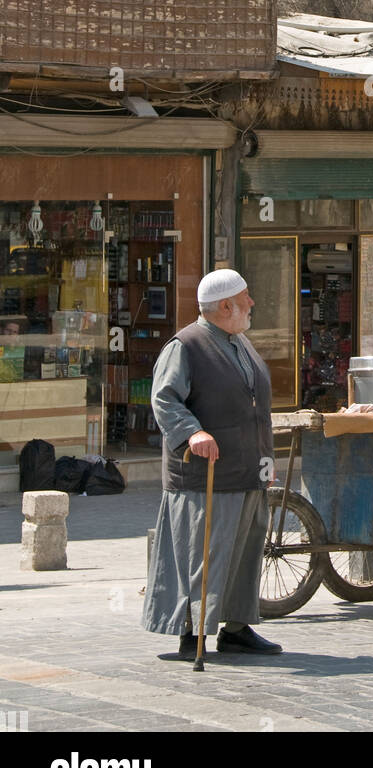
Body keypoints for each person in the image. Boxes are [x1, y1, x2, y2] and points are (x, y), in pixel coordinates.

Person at [142, 269, 282, 659]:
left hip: (246, 468)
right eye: (246, 297)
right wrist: (192, 433)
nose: (252, 303)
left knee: (245, 550)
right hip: (203, 473)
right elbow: (165, 398)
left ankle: (236, 627)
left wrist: (266, 459)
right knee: (200, 554)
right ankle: (191, 632)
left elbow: (255, 406)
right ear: (226, 306)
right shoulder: (186, 345)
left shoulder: (239, 342)